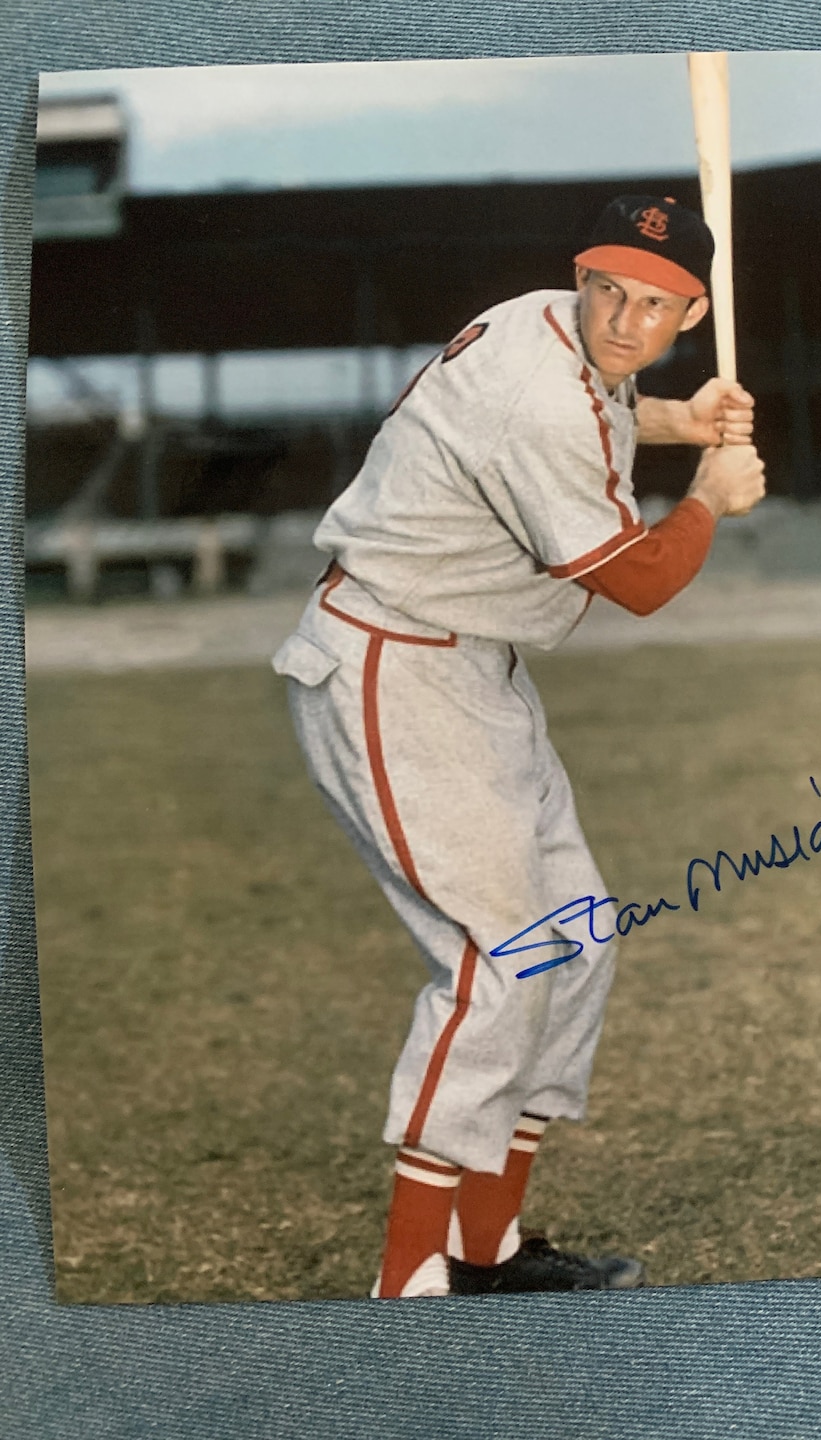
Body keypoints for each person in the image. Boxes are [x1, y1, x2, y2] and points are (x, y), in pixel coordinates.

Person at [272, 194, 766, 1299]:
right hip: (390, 669)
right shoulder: (545, 388)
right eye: (606, 289)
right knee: (501, 956)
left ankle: (485, 1251)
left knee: (574, 940)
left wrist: (679, 421)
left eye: (653, 303)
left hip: (471, 664)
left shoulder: (532, 322)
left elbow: (593, 412)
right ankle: (412, 1283)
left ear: (690, 313)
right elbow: (636, 580)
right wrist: (708, 499)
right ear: (578, 277)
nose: (621, 323)